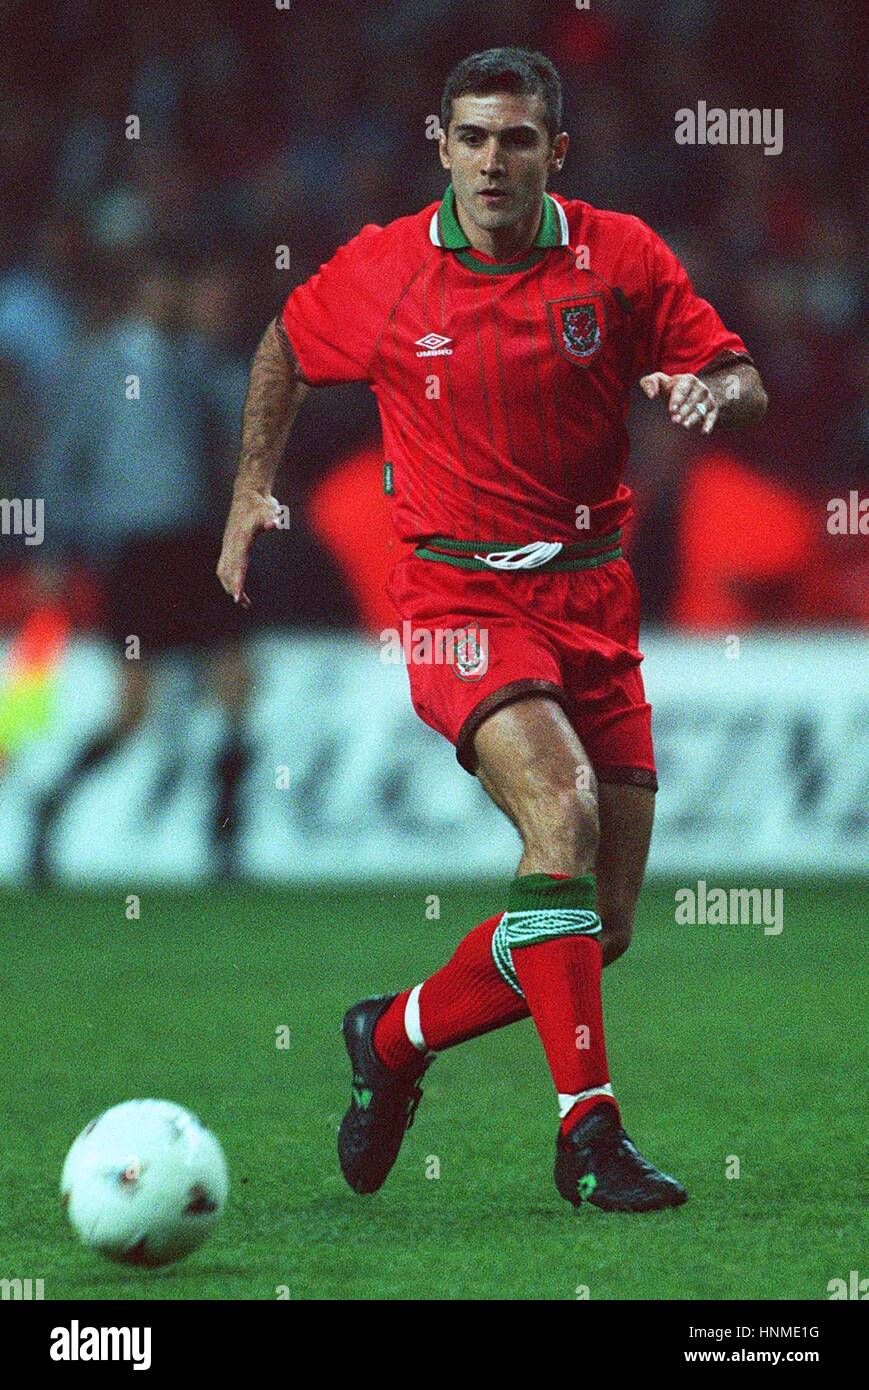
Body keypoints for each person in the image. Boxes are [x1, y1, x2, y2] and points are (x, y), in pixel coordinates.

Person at [217, 48, 768, 1213]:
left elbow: (734, 371)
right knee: (556, 811)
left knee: (596, 924)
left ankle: (395, 1036)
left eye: (516, 139)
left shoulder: (618, 256)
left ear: (553, 154)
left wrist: (713, 389)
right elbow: (281, 347)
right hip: (458, 601)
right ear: (442, 145)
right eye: (471, 136)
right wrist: (245, 495)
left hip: (592, 598)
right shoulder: (385, 271)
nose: (491, 160)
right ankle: (588, 1136)